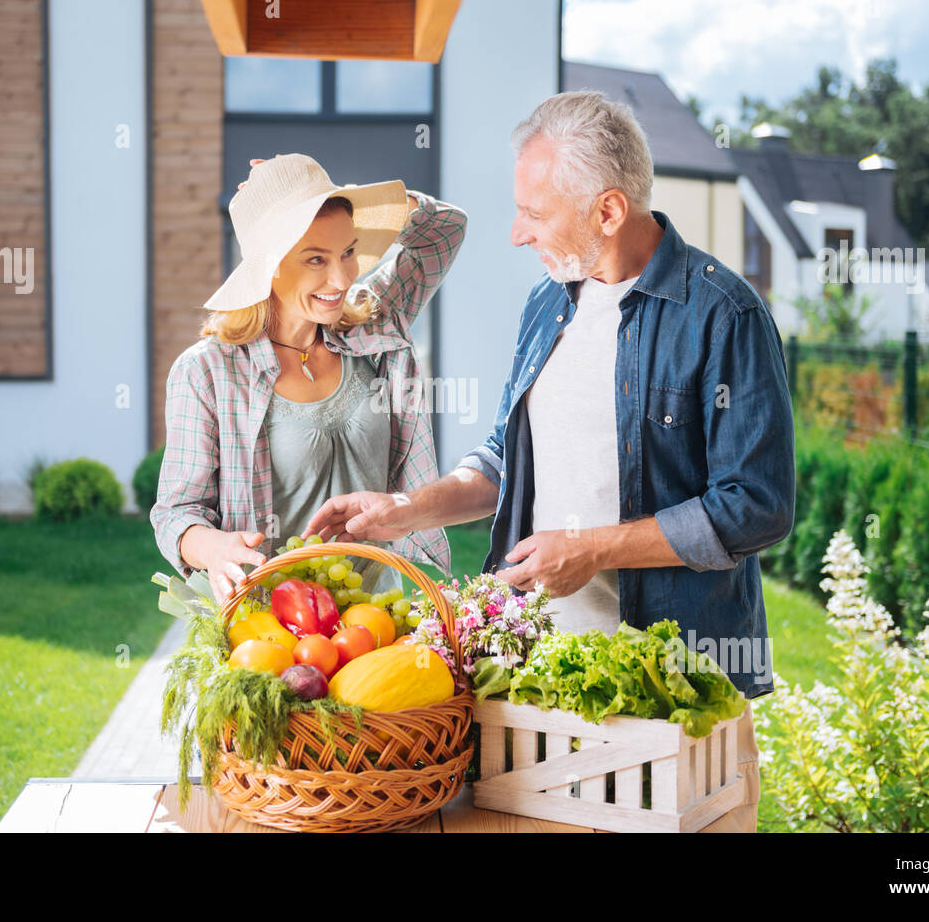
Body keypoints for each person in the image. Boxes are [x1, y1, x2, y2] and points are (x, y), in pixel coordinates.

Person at [304, 92, 796, 832]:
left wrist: (592, 549)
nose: (514, 233)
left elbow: (756, 504)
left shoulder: (723, 315)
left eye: (534, 213)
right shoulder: (548, 304)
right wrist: (403, 509)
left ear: (606, 211)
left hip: (676, 700)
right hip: (544, 683)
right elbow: (510, 457)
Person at [150, 153, 467, 606]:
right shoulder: (208, 372)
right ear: (270, 264)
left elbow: (445, 230)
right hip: (267, 630)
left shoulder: (371, 323)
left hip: (375, 624)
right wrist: (214, 548)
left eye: (349, 251)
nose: (341, 278)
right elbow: (176, 514)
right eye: (316, 259)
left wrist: (334, 193)